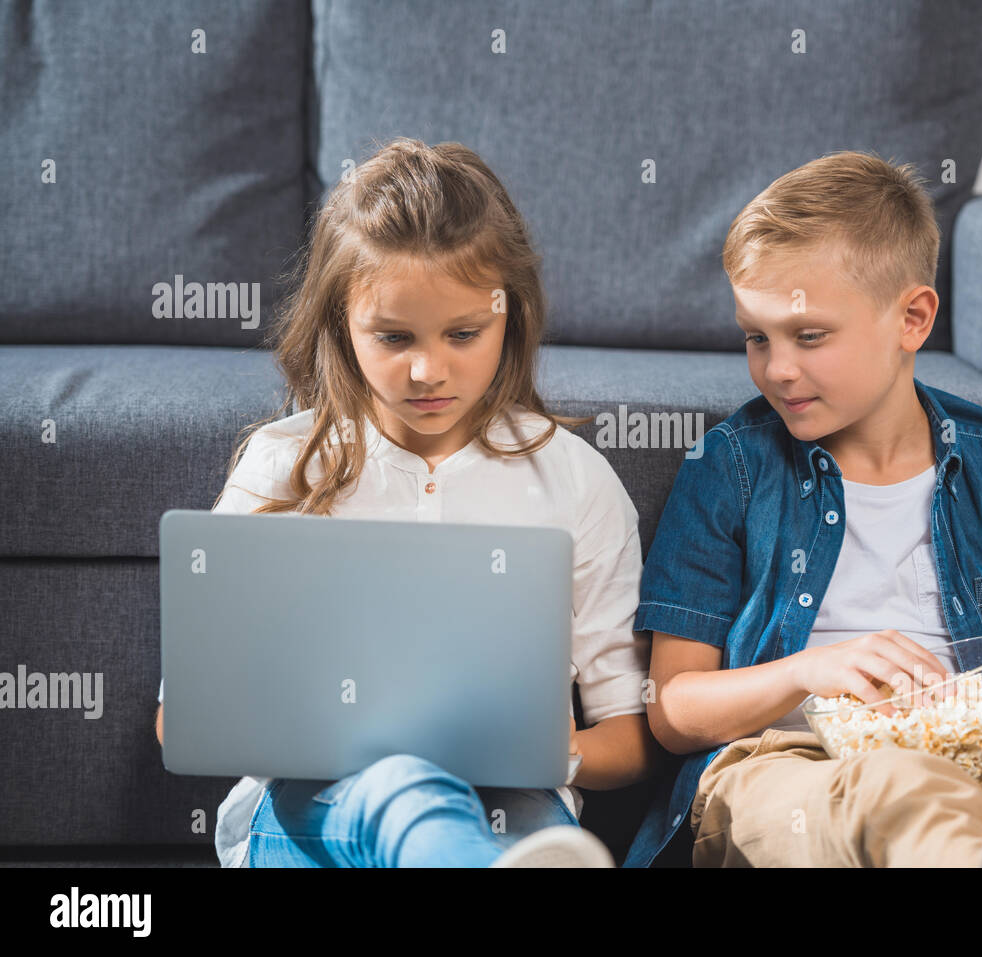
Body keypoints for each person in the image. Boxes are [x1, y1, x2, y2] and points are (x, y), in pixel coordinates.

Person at [623, 151, 982, 868]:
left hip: (968, 776)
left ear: (913, 319)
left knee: (950, 801)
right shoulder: (727, 468)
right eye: (756, 335)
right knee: (901, 790)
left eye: (808, 335)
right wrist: (807, 669)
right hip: (774, 771)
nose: (777, 367)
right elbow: (672, 710)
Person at [156, 137, 663, 867]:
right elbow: (185, 720)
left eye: (464, 333)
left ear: (511, 316)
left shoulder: (575, 481)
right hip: (317, 809)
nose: (428, 370)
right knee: (398, 783)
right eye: (393, 336)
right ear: (340, 324)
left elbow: (629, 737)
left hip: (507, 810)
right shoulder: (281, 466)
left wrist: (557, 754)